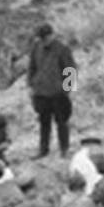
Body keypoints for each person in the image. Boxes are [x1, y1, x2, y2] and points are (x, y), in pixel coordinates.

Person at [27, 23, 75, 158]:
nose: (43, 41)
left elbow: (70, 70)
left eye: (45, 38)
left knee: (62, 122)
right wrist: (31, 85)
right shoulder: (36, 47)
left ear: (51, 35)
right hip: (41, 93)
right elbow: (32, 67)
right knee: (44, 123)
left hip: (58, 93)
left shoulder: (62, 49)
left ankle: (64, 149)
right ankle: (43, 150)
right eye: (41, 38)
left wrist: (67, 91)